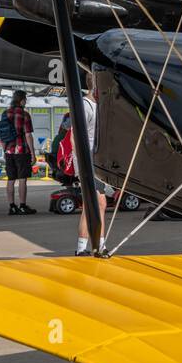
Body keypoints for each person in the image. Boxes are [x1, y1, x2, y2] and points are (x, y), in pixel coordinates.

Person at [75, 77, 106, 256]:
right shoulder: (85, 106)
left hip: (98, 162)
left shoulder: (99, 107)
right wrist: (80, 167)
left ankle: (100, 245)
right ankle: (81, 248)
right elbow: (75, 136)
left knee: (101, 203)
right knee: (90, 205)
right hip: (88, 162)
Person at [1, 90, 38, 215]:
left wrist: (4, 149)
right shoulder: (25, 114)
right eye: (25, 99)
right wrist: (33, 153)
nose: (26, 101)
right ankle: (22, 205)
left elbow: (2, 134)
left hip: (8, 151)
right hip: (22, 150)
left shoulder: (5, 114)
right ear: (21, 100)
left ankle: (12, 206)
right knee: (22, 178)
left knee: (11, 179)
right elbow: (28, 135)